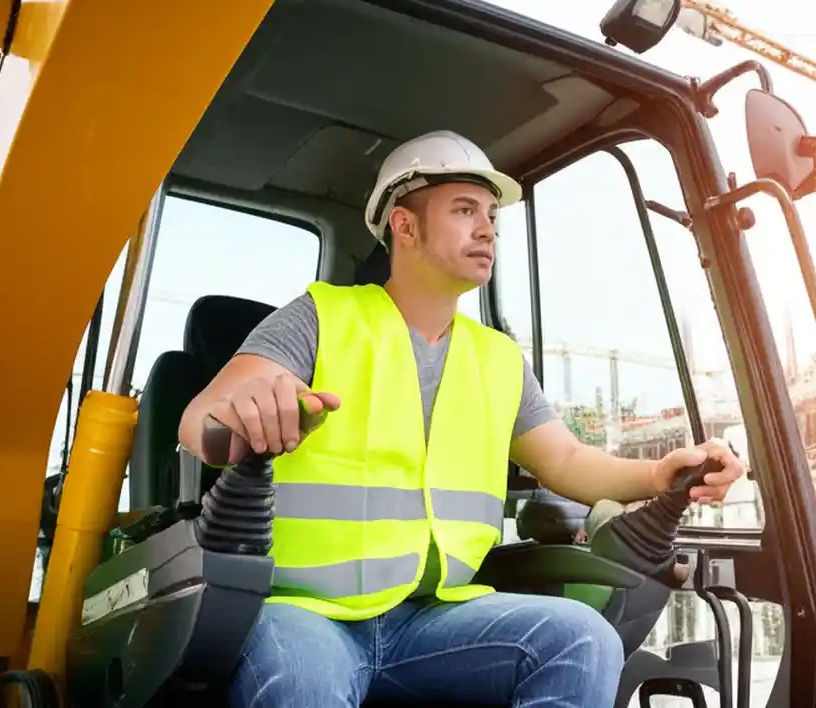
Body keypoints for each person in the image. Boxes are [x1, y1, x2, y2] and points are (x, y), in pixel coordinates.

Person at [178, 129, 744, 708]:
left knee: (584, 639)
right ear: (405, 226)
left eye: (491, 216)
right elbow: (200, 419)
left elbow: (567, 460)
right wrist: (248, 408)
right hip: (307, 614)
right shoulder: (323, 316)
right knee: (300, 680)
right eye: (465, 210)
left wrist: (658, 475)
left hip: (436, 618)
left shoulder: (498, 358)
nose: (487, 230)